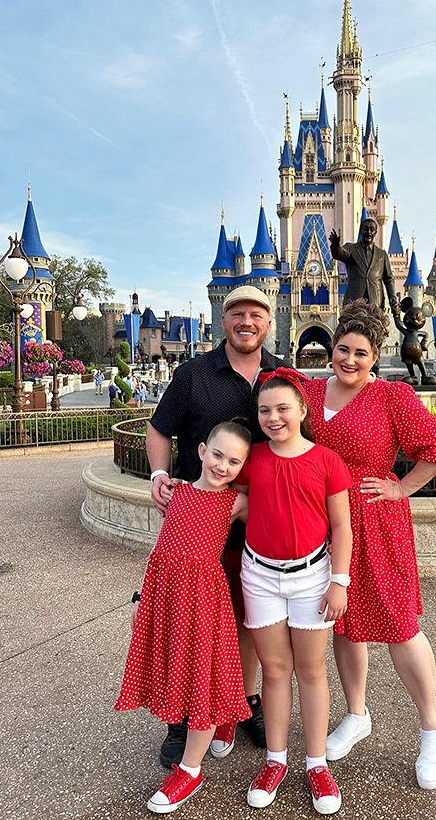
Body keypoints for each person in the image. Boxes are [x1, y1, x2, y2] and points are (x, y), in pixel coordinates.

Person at [302, 301, 436, 791]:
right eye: (342, 349)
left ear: (375, 357)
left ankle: (431, 727)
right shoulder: (311, 389)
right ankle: (356, 714)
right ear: (332, 349)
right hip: (325, 520)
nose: (349, 360)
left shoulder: (393, 396)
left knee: (398, 624)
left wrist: (400, 487)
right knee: (345, 621)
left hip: (375, 520)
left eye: (360, 353)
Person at [147, 285, 289, 767]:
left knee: (248, 618)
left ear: (269, 321)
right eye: (237, 314)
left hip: (256, 520)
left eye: (256, 314)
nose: (247, 322)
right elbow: (158, 428)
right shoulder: (193, 374)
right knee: (188, 621)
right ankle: (182, 715)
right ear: (223, 319)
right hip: (200, 522)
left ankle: (241, 702)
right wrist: (160, 475)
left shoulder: (282, 375)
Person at [115, 421, 254, 813]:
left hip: (205, 600)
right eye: (217, 455)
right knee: (183, 671)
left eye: (233, 462)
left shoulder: (236, 501)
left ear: (242, 467)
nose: (222, 466)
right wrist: (143, 598)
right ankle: (215, 724)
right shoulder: (176, 492)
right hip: (168, 597)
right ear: (201, 451)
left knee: (204, 677)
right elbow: (160, 549)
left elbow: (278, 518)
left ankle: (191, 769)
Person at [236, 369, 353, 814]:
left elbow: (341, 526)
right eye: (265, 410)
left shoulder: (327, 460)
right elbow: (234, 502)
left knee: (312, 670)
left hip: (312, 578)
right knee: (274, 671)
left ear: (303, 410)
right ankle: (275, 760)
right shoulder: (252, 458)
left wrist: (339, 581)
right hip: (261, 576)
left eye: (283, 408)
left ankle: (317, 764)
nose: (274, 417)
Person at [329, 217, 400, 314]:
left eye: (372, 229)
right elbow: (340, 254)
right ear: (361, 231)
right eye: (366, 229)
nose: (369, 232)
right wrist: (335, 246)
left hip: (376, 301)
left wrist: (393, 298)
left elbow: (388, 279)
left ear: (375, 232)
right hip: (354, 301)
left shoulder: (382, 254)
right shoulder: (351, 249)